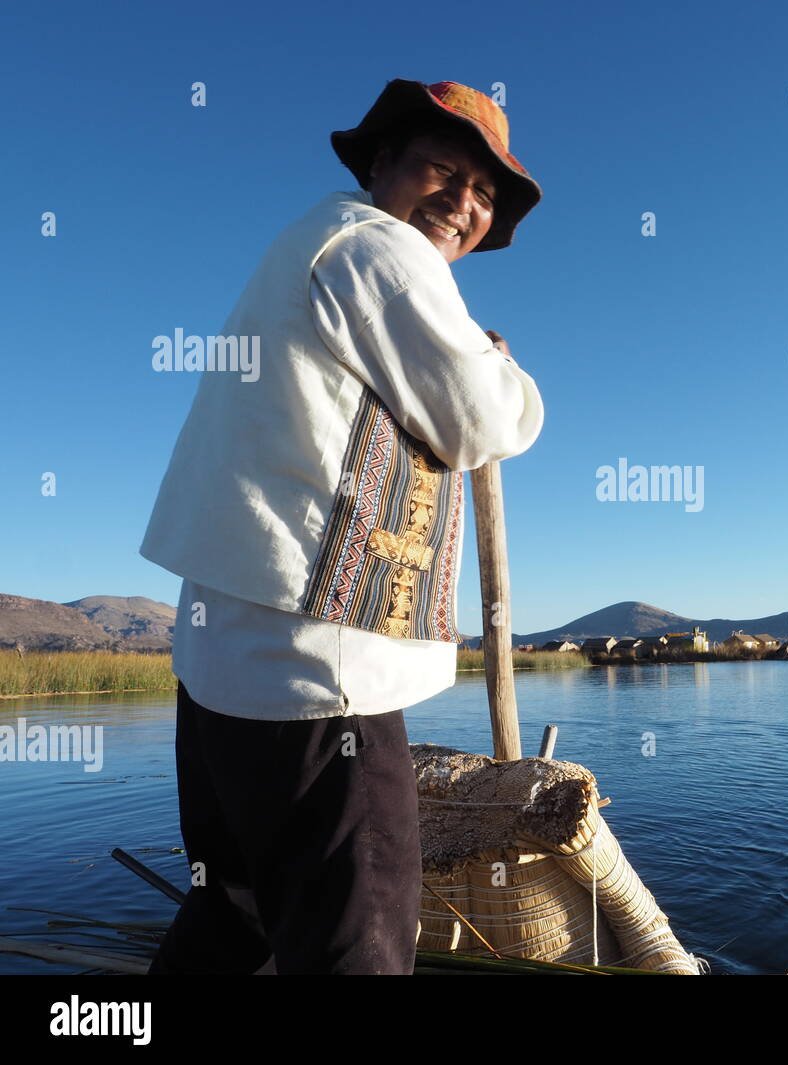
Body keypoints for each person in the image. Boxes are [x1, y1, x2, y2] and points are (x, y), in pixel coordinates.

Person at [139, 80, 544, 974]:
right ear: (380, 164)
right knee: (356, 941)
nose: (464, 204)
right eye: (444, 168)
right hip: (317, 678)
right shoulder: (378, 249)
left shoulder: (317, 244)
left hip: (225, 666)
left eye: (483, 193)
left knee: (233, 912)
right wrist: (506, 371)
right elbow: (478, 417)